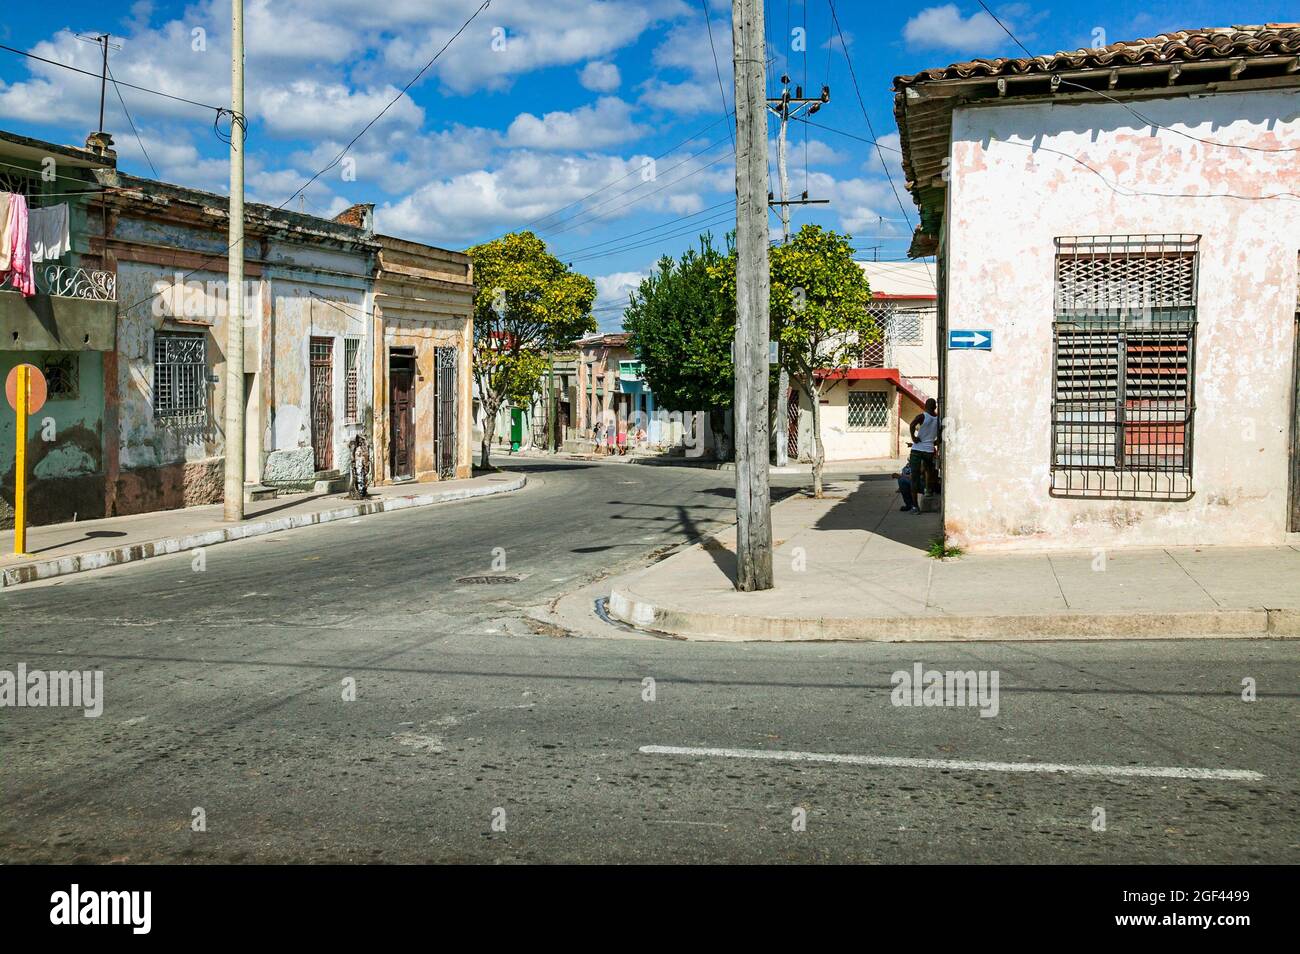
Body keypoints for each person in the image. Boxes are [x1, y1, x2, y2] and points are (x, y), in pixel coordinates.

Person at [908, 398, 941, 509]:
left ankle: (915, 507)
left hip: (917, 450)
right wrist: (933, 442)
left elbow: (912, 425)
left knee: (915, 477)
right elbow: (940, 438)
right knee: (928, 472)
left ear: (925, 406)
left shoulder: (922, 416)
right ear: (935, 407)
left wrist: (914, 437)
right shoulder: (938, 420)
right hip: (929, 451)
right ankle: (928, 490)